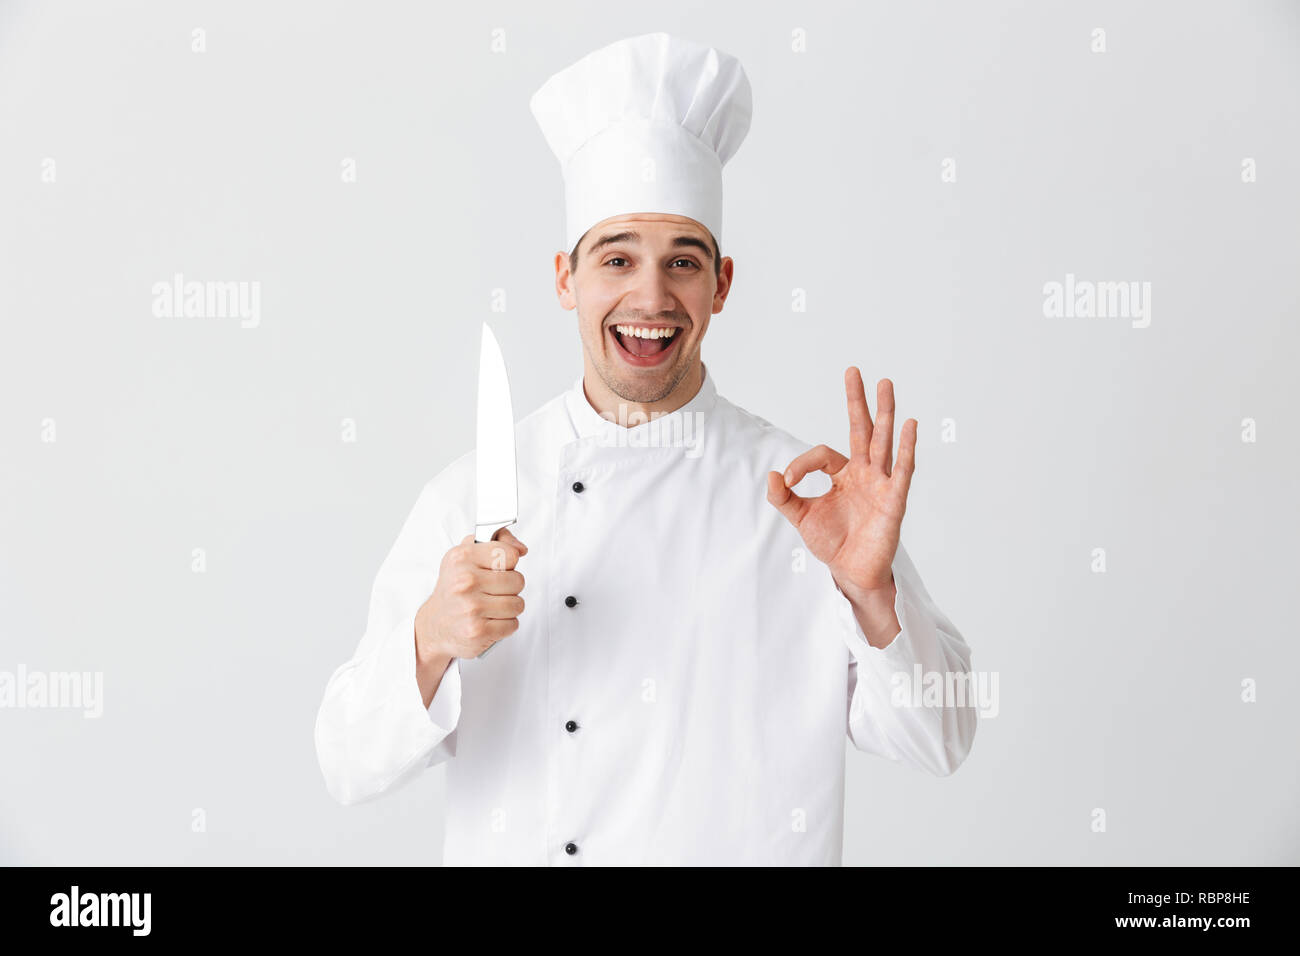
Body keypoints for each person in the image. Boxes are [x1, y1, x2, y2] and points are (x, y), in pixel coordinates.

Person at [314, 31, 976, 866]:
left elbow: (943, 737)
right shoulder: (473, 498)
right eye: (616, 258)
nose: (650, 297)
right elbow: (343, 762)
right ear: (565, 277)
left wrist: (873, 594)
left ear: (721, 284)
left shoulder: (810, 507)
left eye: (683, 262)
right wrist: (431, 641)